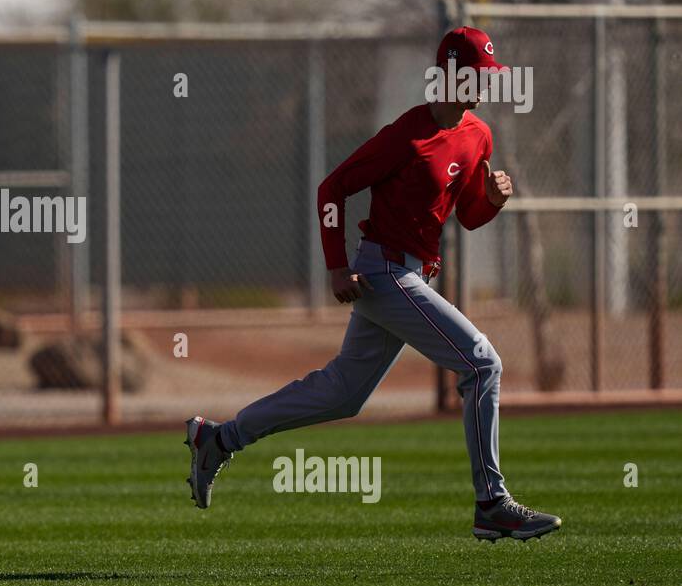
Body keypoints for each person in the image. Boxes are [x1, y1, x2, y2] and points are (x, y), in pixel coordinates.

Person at [184, 27, 562, 542]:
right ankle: (491, 503)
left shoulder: (478, 136)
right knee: (482, 362)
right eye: (476, 75)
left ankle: (219, 439)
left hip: (413, 272)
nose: (484, 85)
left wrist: (493, 200)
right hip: (384, 271)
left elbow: (469, 217)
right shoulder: (406, 135)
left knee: (344, 394)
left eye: (489, 77)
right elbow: (332, 189)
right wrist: (337, 266)